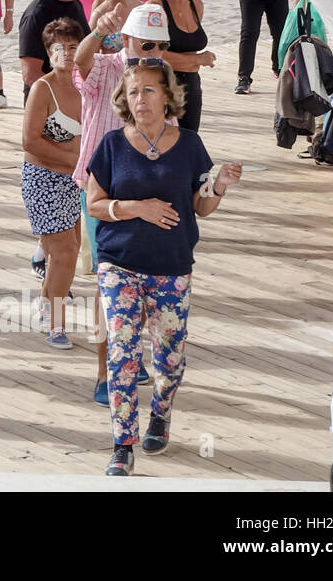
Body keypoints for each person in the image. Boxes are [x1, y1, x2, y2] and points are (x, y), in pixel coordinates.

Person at [86, 61, 242, 475]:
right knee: (122, 350)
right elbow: (94, 204)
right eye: (134, 92)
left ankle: (161, 413)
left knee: (169, 356)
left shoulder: (190, 145)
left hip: (172, 265)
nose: (141, 99)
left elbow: (201, 206)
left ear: (168, 96)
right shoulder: (112, 145)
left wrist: (219, 186)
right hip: (118, 263)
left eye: (149, 90)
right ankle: (122, 443)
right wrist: (138, 208)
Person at [74, 2, 172, 402]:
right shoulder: (108, 66)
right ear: (128, 39)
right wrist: (98, 31)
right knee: (108, 285)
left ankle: (130, 352)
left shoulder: (165, 80)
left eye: (160, 45)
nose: (153, 52)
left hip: (149, 194)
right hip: (103, 192)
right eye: (146, 43)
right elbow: (80, 63)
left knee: (146, 280)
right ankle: (104, 373)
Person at [21, 19, 84, 349]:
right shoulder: (41, 89)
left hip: (74, 181)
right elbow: (30, 142)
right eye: (60, 48)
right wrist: (74, 163)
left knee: (70, 252)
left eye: (74, 47)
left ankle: (46, 304)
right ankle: (53, 319)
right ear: (49, 53)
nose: (68, 54)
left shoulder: (84, 84)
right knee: (65, 251)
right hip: (43, 179)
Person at [18, 0, 89, 102]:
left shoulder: (76, 4)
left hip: (78, 102)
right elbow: (31, 75)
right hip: (48, 107)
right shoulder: (36, 14)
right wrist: (69, 97)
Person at [157, 0, 214, 133]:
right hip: (165, 84)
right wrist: (199, 60)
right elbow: (155, 54)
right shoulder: (154, 7)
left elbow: (190, 45)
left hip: (192, 83)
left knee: (190, 140)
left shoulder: (196, 4)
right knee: (164, 142)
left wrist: (197, 64)